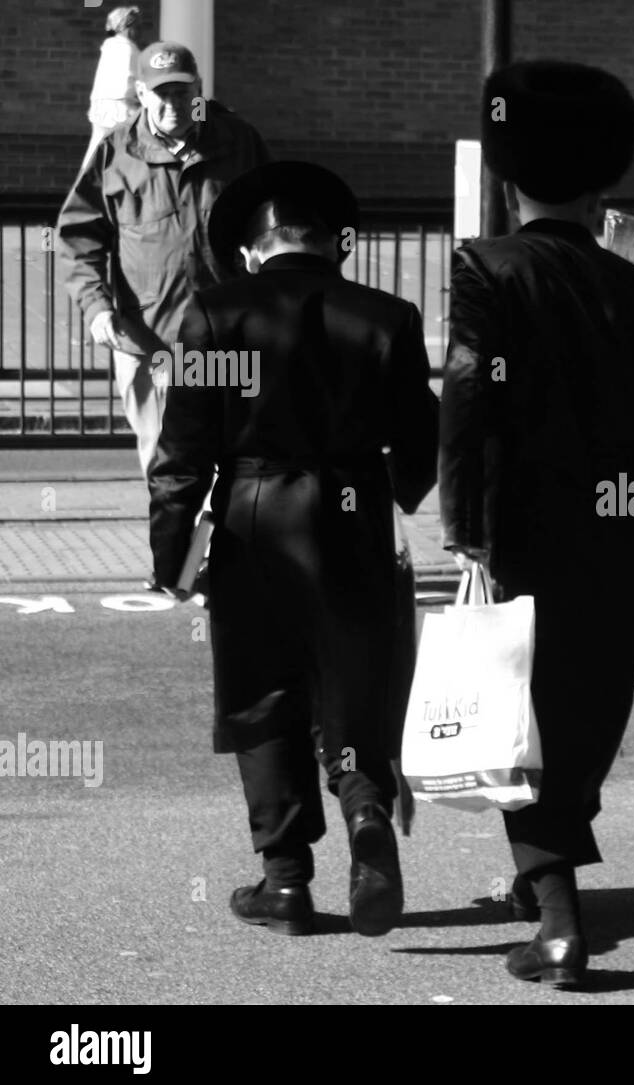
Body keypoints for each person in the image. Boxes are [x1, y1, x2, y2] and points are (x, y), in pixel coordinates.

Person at [439, 60, 634, 985]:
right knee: (588, 697)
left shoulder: (485, 266)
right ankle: (546, 866)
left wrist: (463, 519)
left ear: (509, 178)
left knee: (521, 705)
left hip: (525, 516)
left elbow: (468, 396)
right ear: (604, 182)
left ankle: (555, 912)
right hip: (623, 517)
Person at [147, 161, 441, 938]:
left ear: (251, 250)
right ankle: (366, 807)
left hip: (254, 519)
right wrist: (398, 493)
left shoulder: (214, 316)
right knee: (356, 678)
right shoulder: (388, 317)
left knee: (262, 693)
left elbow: (182, 451)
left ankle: (285, 882)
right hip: (354, 513)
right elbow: (420, 441)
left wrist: (171, 555)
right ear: (333, 245)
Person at [58, 41, 269, 488]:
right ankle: (179, 557)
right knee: (167, 466)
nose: (173, 103)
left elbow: (274, 221)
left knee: (236, 458)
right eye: (161, 93)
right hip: (150, 340)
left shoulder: (239, 141)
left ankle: (219, 554)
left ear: (200, 89)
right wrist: (97, 306)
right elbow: (78, 236)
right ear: (141, 92)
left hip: (227, 335)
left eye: (182, 92)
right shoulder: (116, 153)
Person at [80, 6, 142, 173]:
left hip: (101, 105)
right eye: (135, 25)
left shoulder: (109, 47)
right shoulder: (128, 49)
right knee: (121, 148)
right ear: (126, 26)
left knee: (97, 146)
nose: (137, 30)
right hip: (119, 107)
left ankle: (87, 177)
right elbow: (131, 82)